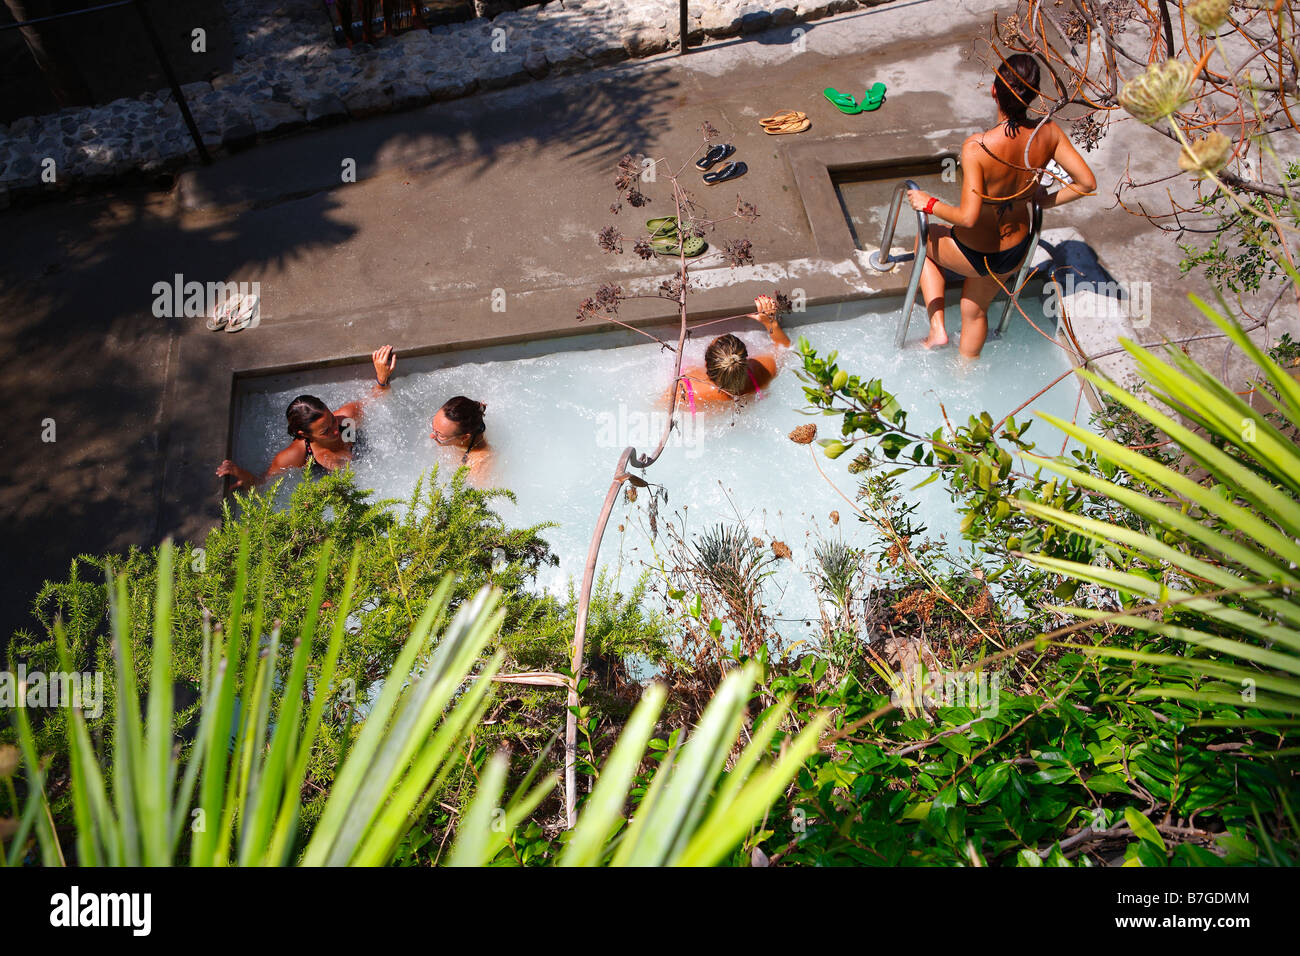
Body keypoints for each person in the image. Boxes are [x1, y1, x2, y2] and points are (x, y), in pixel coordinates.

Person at [905, 53, 1096, 360]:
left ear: (994, 90)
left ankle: (937, 330)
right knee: (974, 311)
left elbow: (967, 218)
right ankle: (965, 374)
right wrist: (1042, 201)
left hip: (974, 254)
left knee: (922, 241)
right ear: (1034, 94)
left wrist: (929, 203)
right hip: (1015, 252)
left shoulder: (978, 147)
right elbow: (1086, 183)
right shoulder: (1048, 133)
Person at [217, 345, 396, 490]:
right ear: (305, 434)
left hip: (377, 471)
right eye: (325, 431)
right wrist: (242, 475)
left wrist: (382, 378)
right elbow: (263, 484)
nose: (336, 430)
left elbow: (375, 399)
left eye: (332, 420)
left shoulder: (346, 420)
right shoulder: (297, 455)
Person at [674, 295, 791, 407]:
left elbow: (664, 407)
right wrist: (770, 322)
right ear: (745, 362)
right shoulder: (761, 373)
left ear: (706, 364)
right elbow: (785, 349)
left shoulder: (685, 391)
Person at [431, 395, 490, 475]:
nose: (431, 436)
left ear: (464, 437)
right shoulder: (448, 434)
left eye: (441, 435)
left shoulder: (478, 466)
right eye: (432, 425)